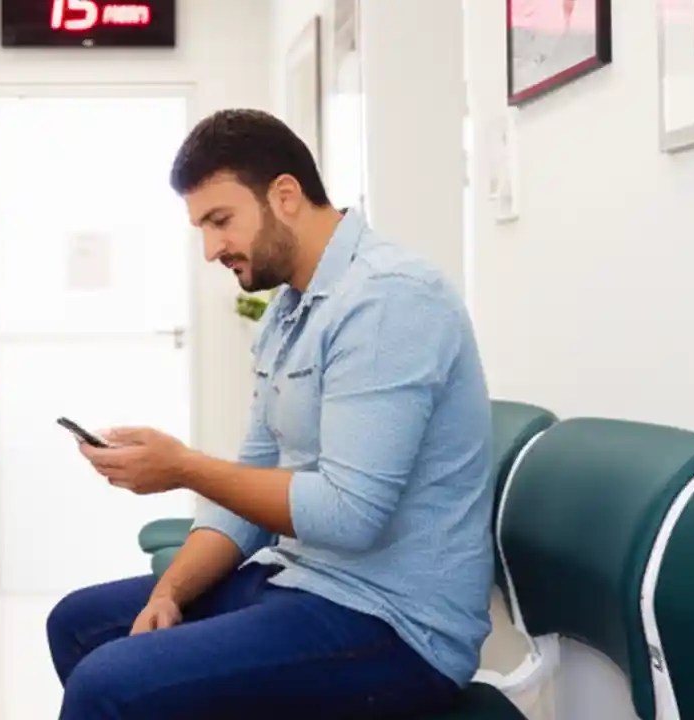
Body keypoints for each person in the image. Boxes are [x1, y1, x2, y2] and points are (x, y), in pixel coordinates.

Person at [45, 108, 495, 719]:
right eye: (201, 227)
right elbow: (248, 489)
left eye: (220, 220)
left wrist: (182, 467)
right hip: (300, 582)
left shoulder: (391, 300)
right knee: (78, 625)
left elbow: (348, 515)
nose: (210, 249)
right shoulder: (289, 313)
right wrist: (169, 592)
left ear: (284, 195)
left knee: (108, 684)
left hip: (394, 626)